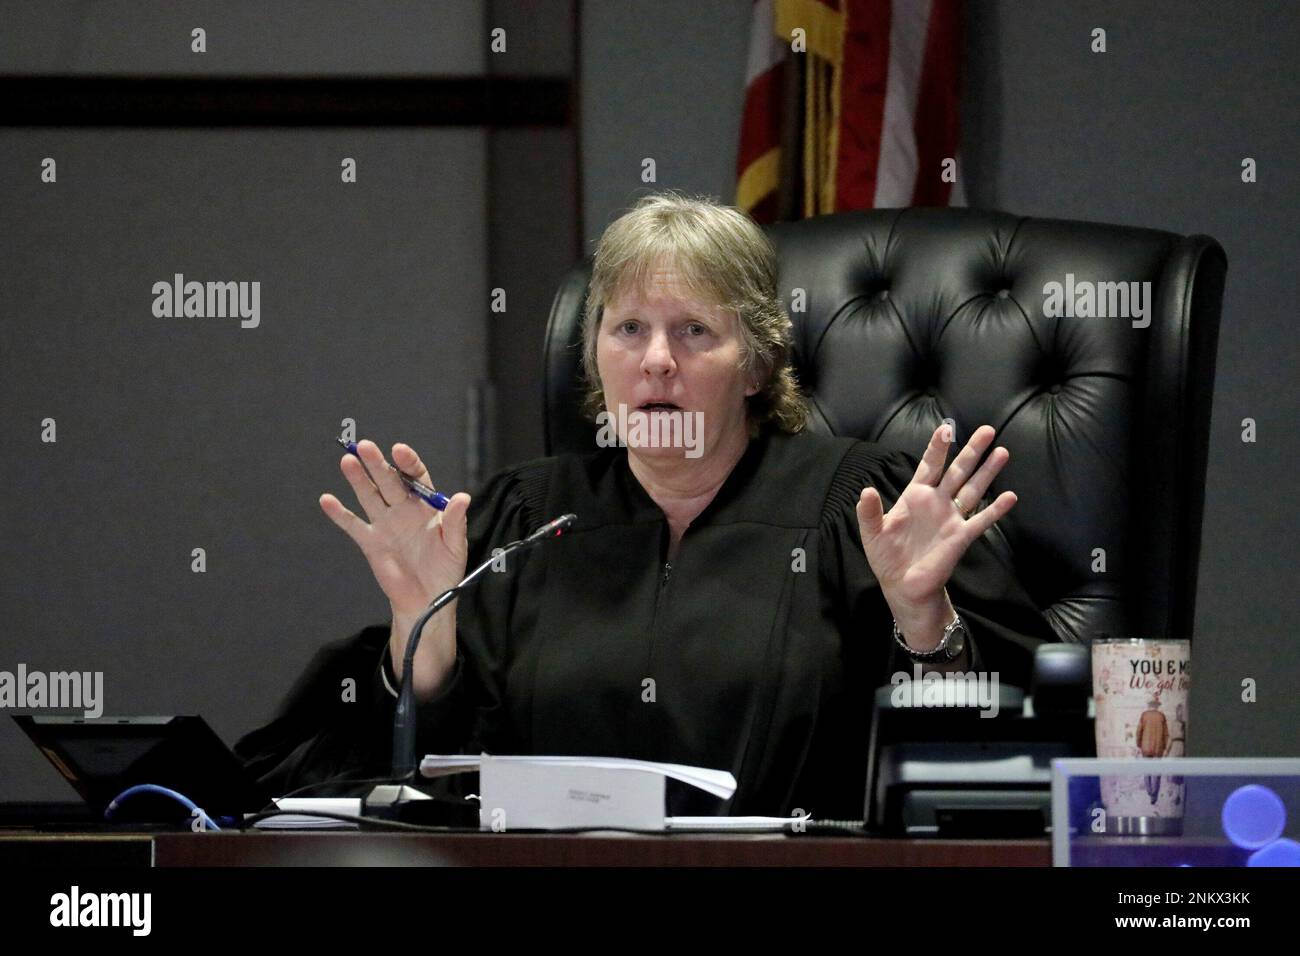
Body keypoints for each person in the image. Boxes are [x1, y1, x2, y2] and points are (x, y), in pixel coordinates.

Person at [234, 191, 1059, 819]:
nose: (657, 362)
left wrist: (927, 628)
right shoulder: (520, 518)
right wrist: (425, 644)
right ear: (594, 358)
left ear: (758, 365)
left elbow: (1019, 788)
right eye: (627, 329)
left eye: (695, 331)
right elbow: (316, 792)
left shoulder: (866, 504)